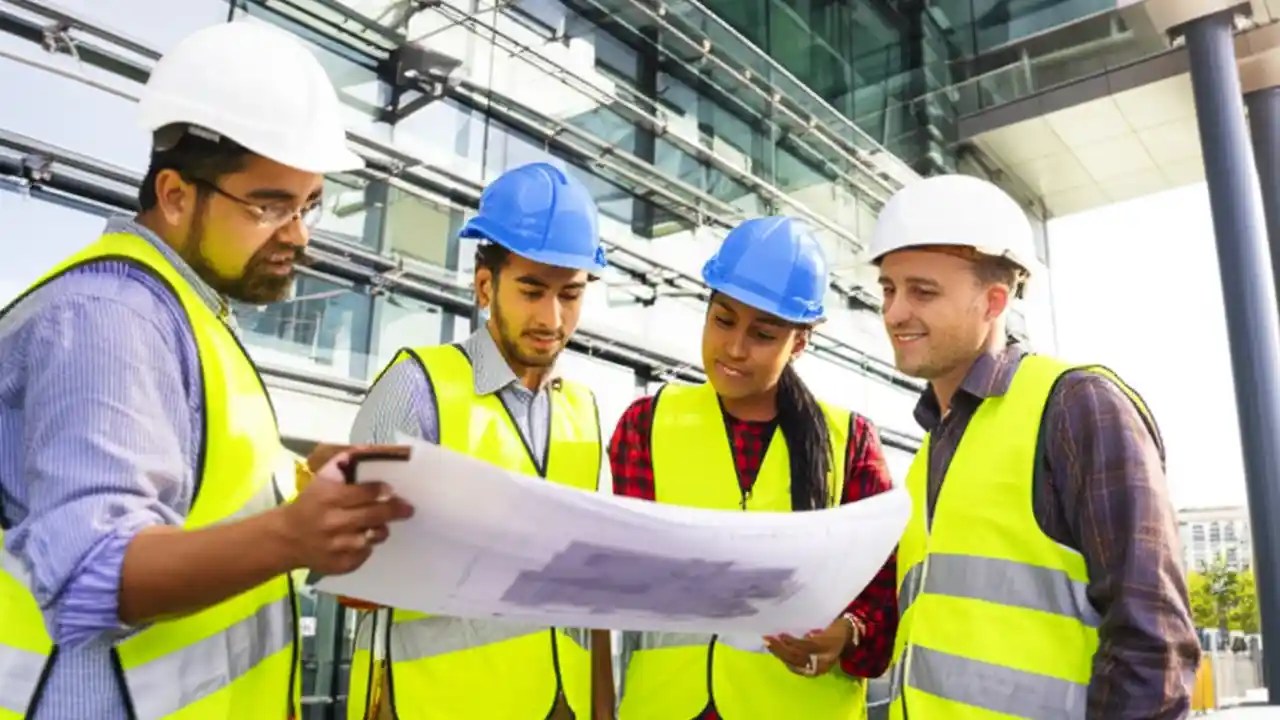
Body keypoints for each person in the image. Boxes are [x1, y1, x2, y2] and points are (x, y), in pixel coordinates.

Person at [0, 21, 415, 720]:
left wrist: (306, 488)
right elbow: (93, 577)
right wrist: (292, 536)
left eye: (308, 204)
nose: (298, 234)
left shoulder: (184, 315)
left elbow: (198, 496)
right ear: (175, 194)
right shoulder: (110, 318)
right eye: (269, 205)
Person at [872, 174, 1200, 719]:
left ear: (993, 301)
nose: (894, 312)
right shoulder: (932, 449)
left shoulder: (1077, 407)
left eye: (922, 291)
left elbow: (1153, 642)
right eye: (889, 288)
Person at [346, 161, 612, 720]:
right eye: (532, 290)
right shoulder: (415, 388)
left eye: (571, 294)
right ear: (486, 284)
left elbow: (595, 598)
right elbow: (350, 574)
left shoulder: (584, 412)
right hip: (435, 706)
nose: (552, 316)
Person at [604, 216, 899, 719]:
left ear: (800, 342)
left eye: (763, 334)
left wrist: (846, 633)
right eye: (723, 320)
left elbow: (883, 605)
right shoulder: (646, 426)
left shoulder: (849, 444)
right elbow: (607, 579)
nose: (735, 348)